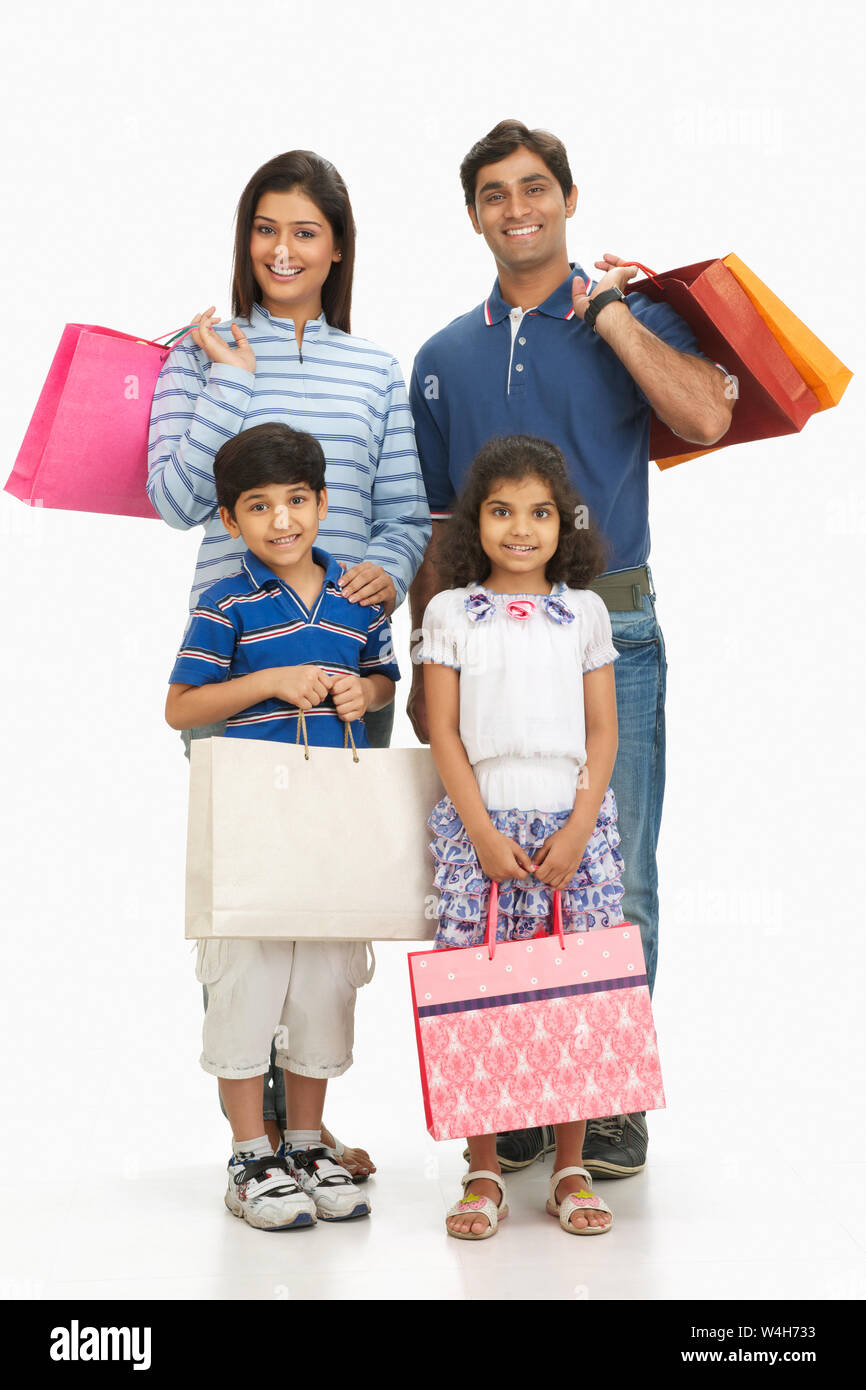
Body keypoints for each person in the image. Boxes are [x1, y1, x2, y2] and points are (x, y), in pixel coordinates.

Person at [408, 119, 733, 1179]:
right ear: (472, 215)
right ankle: (509, 1090)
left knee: (611, 866)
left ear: (568, 197)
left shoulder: (630, 316)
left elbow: (704, 416)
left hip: (611, 629)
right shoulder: (442, 358)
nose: (517, 208)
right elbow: (435, 523)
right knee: (490, 877)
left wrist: (610, 314)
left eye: (534, 187)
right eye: (494, 194)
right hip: (479, 644)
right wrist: (425, 670)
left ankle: (605, 1099)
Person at [149, 150, 431, 1166]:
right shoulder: (200, 351)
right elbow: (180, 498)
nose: (282, 249)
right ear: (245, 238)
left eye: (304, 230)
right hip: (240, 663)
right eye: (265, 228)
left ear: (337, 247)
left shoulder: (373, 369)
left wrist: (386, 575)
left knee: (324, 902)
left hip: (347, 659)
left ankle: (301, 1126)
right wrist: (227, 378)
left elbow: (402, 515)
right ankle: (252, 1135)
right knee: (249, 898)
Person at [166, 422, 400, 1229]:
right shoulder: (223, 602)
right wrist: (270, 679)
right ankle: (248, 1153)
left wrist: (359, 696)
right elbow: (181, 707)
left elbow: (378, 680)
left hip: (330, 822)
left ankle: (305, 1142)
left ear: (324, 503)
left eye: (297, 500)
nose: (282, 520)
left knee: (324, 981)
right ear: (231, 522)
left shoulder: (354, 600)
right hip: (251, 823)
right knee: (249, 976)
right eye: (258, 506)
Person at [419, 434, 622, 1237]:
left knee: (571, 992)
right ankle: (482, 1170)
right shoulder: (449, 611)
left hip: (573, 824)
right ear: (478, 521)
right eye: (502, 511)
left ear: (563, 523)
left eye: (539, 512)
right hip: (483, 826)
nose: (521, 529)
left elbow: (602, 734)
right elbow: (442, 733)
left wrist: (578, 827)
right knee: (481, 995)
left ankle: (570, 1167)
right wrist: (477, 830)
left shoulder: (586, 611)